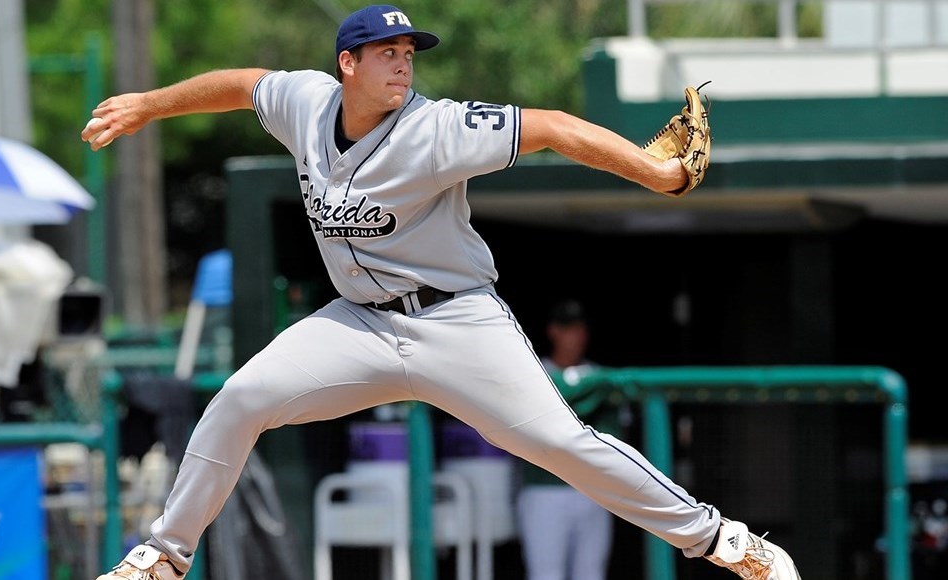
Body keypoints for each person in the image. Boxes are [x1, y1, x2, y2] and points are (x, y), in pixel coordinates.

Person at [83, 5, 800, 579]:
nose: (402, 64)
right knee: (239, 399)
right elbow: (241, 84)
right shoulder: (305, 102)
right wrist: (148, 103)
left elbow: (549, 128)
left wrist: (654, 172)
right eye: (388, 53)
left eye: (409, 54)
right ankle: (164, 557)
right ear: (348, 64)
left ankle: (724, 541)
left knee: (563, 444)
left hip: (457, 322)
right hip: (358, 326)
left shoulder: (437, 127)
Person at [517, 299, 623, 580]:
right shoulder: (534, 370)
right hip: (544, 490)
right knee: (545, 575)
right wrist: (589, 389)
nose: (573, 336)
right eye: (566, 329)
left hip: (592, 490)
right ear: (553, 331)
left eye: (577, 328)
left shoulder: (603, 376)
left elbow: (618, 433)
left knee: (591, 573)